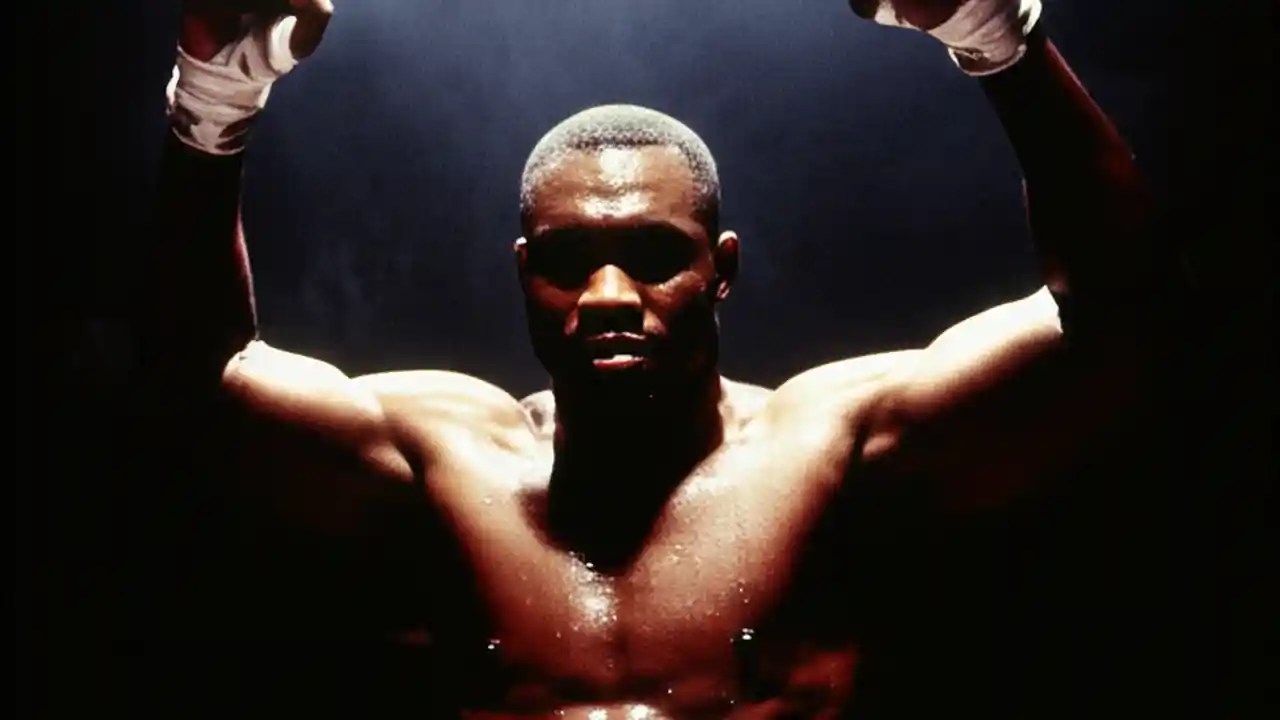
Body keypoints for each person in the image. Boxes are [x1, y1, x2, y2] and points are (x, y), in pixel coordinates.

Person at [147, 0, 1171, 716]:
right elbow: (197, 382)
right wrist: (213, 101)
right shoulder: (447, 457)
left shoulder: (825, 445)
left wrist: (995, 32)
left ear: (719, 270)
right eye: (564, 262)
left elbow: (1118, 314)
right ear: (519, 270)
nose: (604, 299)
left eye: (649, 256)